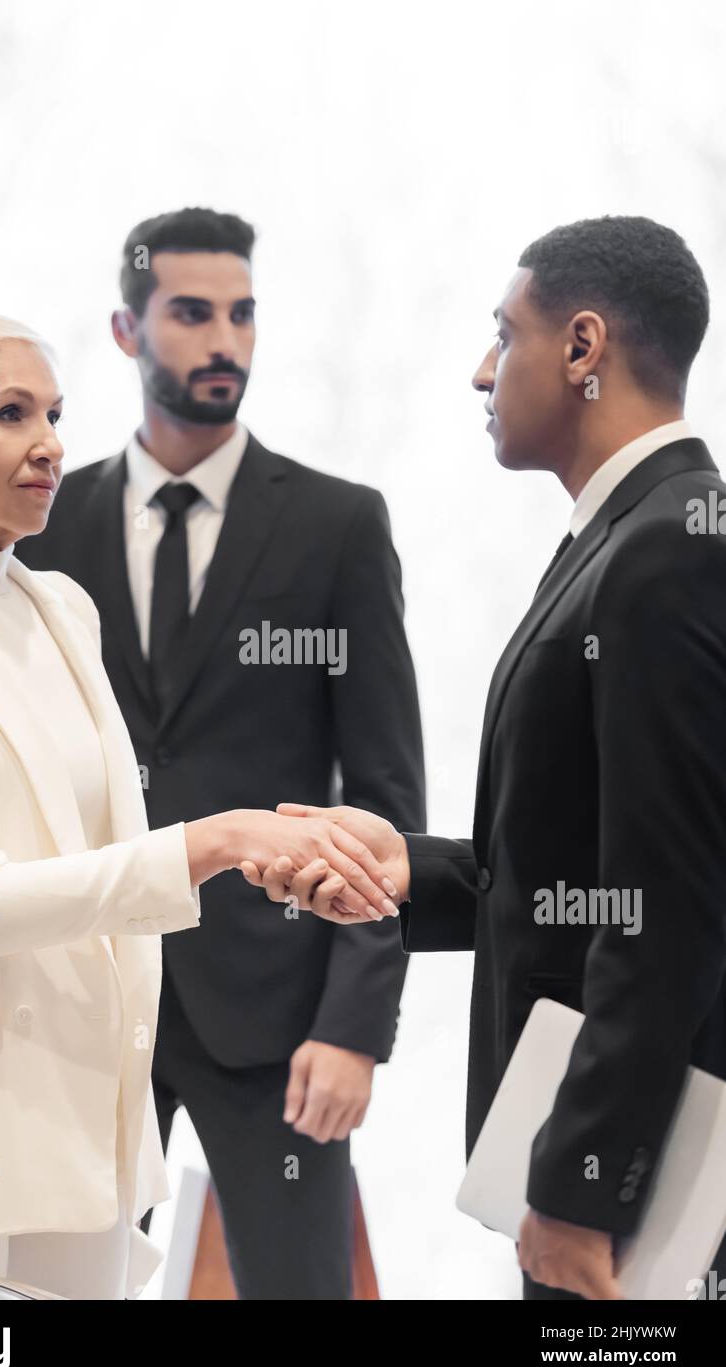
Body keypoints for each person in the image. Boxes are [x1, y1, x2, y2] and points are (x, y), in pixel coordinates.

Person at [0, 313, 394, 1301]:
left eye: (56, 414)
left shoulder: (62, 606)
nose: (50, 442)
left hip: (92, 1113)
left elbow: (101, 852)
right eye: (10, 413)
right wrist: (225, 837)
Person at [245, 215, 726, 1301]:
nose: (481, 369)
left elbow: (674, 903)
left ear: (583, 346)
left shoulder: (670, 553)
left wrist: (580, 1183)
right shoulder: (624, 542)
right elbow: (598, 865)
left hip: (638, 1190)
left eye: (502, 334)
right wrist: (404, 872)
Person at [14, 208, 425, 1299]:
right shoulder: (45, 530)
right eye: (192, 313)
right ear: (126, 328)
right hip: (86, 1007)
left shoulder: (339, 525)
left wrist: (355, 1029)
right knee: (48, 1295)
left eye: (243, 313)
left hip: (282, 1018)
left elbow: (385, 802)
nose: (224, 341)